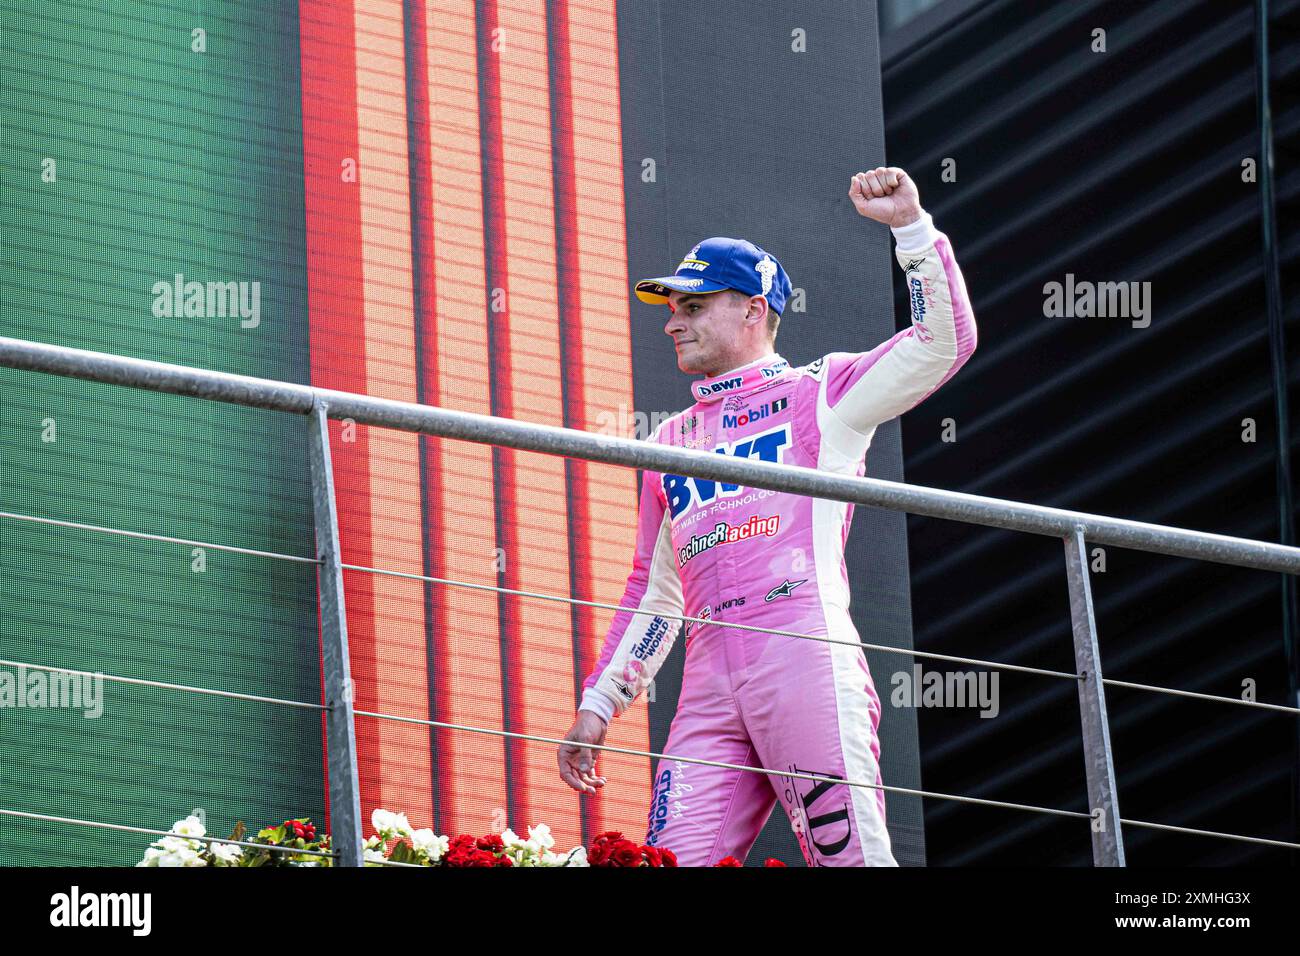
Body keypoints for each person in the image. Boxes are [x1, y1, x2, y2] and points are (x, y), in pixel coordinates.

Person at [556, 167, 976, 866]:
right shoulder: (669, 444)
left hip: (804, 654)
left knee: (849, 861)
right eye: (673, 307)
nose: (672, 321)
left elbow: (942, 344)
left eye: (693, 305)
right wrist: (599, 706)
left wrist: (911, 230)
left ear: (753, 311)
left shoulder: (822, 394)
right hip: (707, 685)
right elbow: (654, 595)